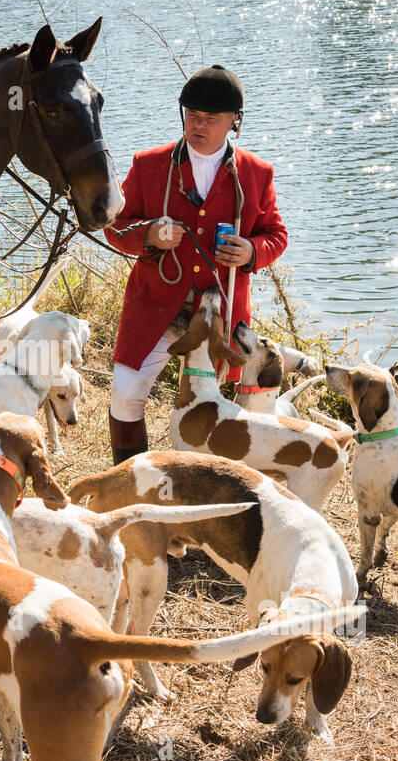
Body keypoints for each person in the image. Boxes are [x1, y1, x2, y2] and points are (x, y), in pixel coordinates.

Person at [101, 65, 288, 465]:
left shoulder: (257, 173)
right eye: (192, 115)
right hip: (155, 308)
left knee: (220, 410)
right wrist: (148, 234)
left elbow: (277, 235)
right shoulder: (150, 164)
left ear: (234, 121)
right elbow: (116, 227)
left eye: (210, 119)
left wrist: (252, 251)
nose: (198, 125)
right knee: (125, 393)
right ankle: (132, 484)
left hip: (221, 316)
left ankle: (215, 487)